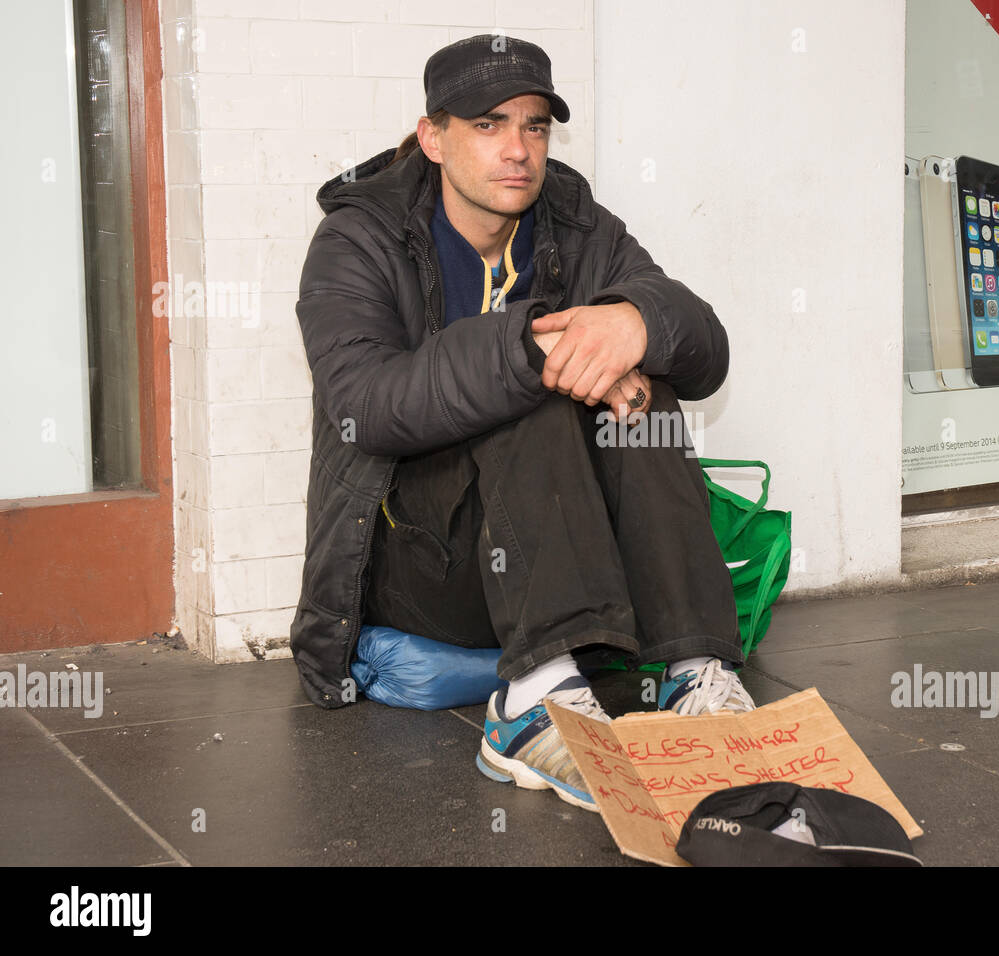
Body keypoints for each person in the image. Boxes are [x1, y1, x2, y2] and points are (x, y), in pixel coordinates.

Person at [289, 34, 755, 812]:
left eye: (535, 126)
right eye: (488, 124)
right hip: (421, 566)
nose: (518, 150)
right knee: (531, 382)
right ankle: (530, 705)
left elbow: (706, 345)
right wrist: (526, 349)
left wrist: (637, 323)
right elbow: (360, 406)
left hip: (559, 552)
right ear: (433, 137)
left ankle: (694, 675)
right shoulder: (357, 237)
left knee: (645, 400)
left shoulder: (573, 224)